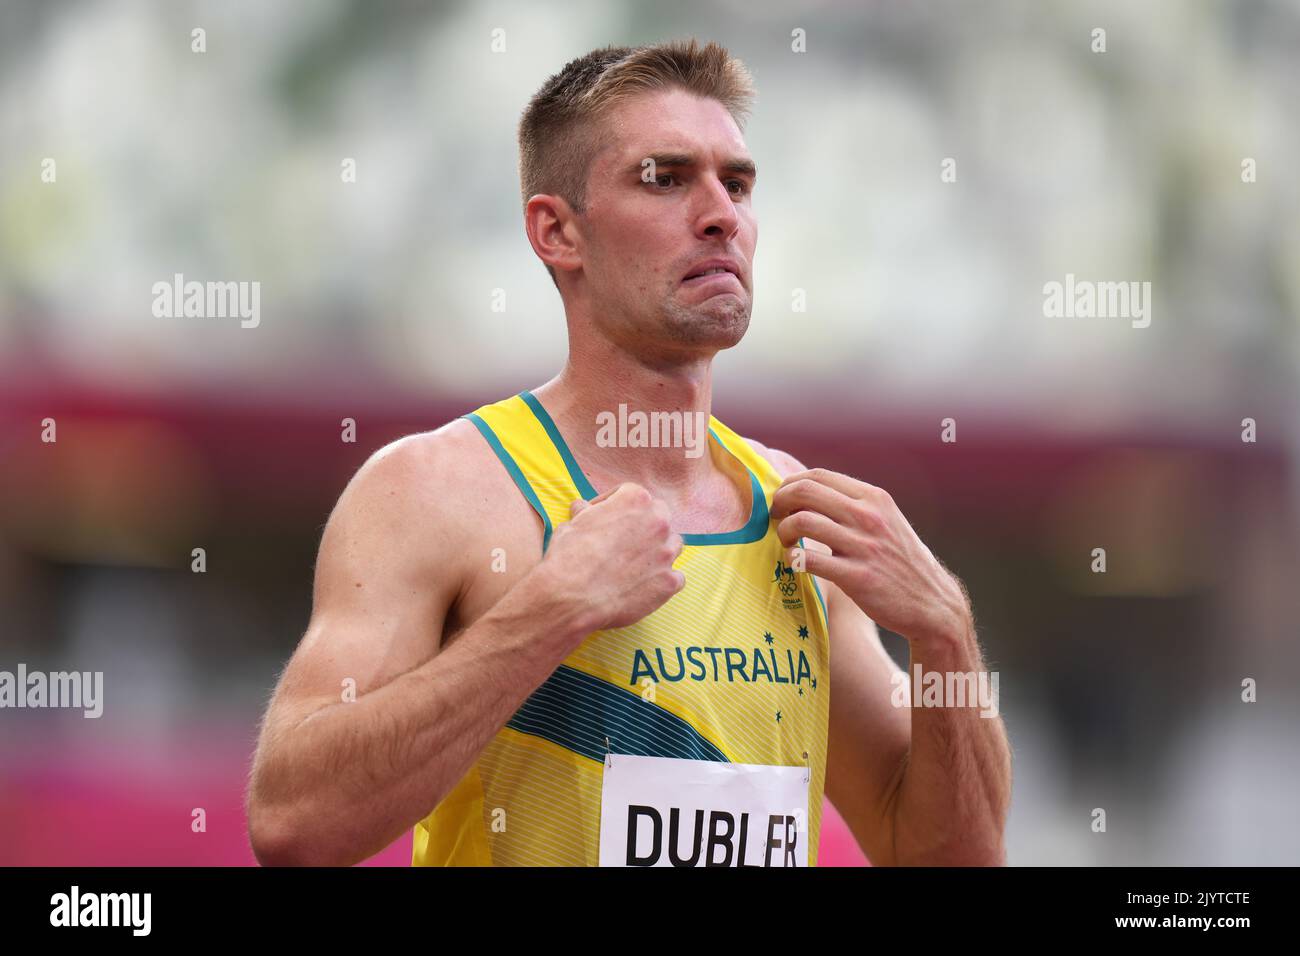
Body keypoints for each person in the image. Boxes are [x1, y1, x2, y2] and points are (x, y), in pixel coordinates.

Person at [246, 39, 1011, 867]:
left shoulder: (799, 519)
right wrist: (550, 612)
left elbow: (944, 856)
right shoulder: (436, 490)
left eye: (739, 183)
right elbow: (294, 825)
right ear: (557, 232)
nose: (721, 212)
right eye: (666, 178)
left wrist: (947, 634)